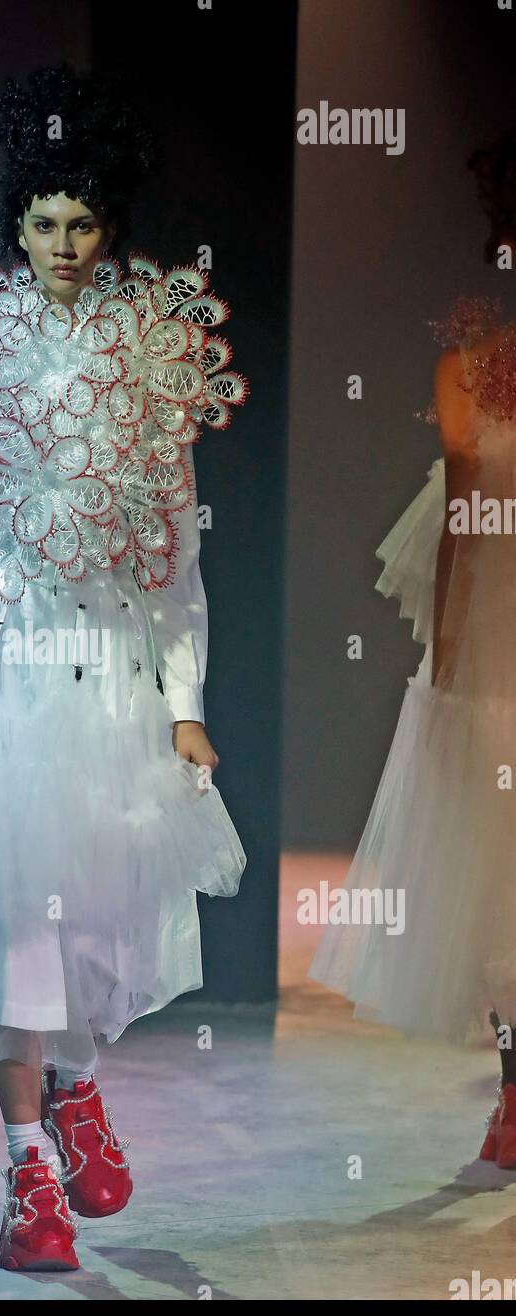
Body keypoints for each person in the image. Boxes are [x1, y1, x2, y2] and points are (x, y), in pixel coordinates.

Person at [0, 63, 248, 1272]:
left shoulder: (151, 371)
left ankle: (74, 1085)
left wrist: (183, 707)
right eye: (43, 222)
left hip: (106, 680)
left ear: (109, 227)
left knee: (96, 927)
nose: (64, 242)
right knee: (16, 922)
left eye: (83, 222)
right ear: (15, 228)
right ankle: (29, 1170)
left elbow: (173, 562)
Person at [309, 129, 516, 1170]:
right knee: (494, 885)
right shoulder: (474, 367)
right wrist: (444, 663)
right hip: (495, 663)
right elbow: (470, 522)